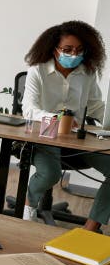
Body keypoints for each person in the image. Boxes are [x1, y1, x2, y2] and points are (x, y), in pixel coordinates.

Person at [20, 20, 109, 231]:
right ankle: (29, 205)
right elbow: (29, 110)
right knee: (50, 173)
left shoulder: (87, 73)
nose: (73, 54)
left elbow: (95, 106)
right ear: (54, 49)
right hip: (44, 134)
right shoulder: (38, 70)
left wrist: (107, 118)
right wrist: (57, 119)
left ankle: (90, 228)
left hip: (76, 138)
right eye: (67, 50)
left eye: (79, 50)